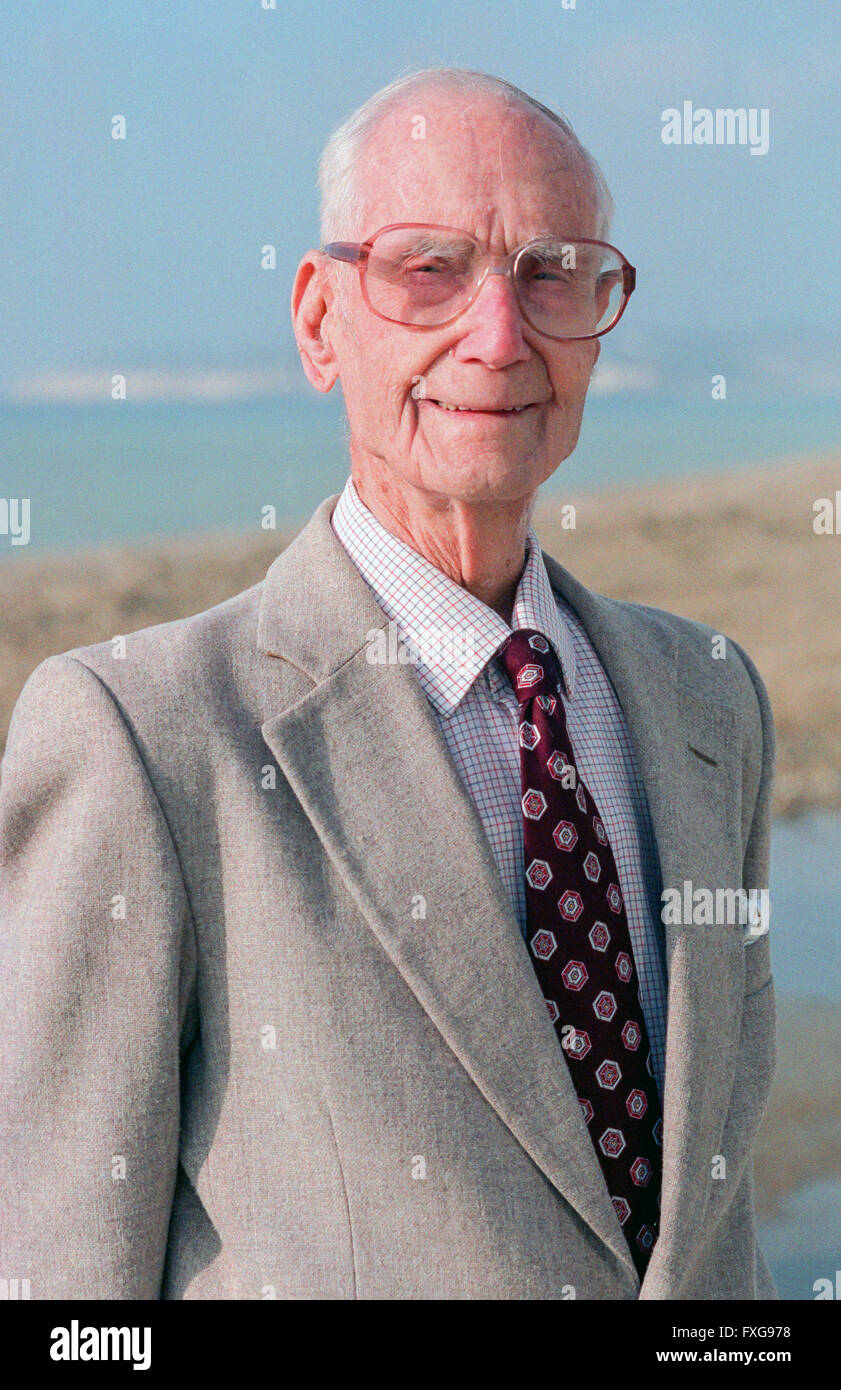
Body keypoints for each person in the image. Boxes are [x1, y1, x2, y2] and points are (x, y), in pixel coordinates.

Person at [0, 68, 776, 1299]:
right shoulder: (141, 742)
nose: (499, 335)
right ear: (319, 321)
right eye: (430, 269)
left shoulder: (708, 703)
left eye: (550, 271)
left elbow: (711, 1239)